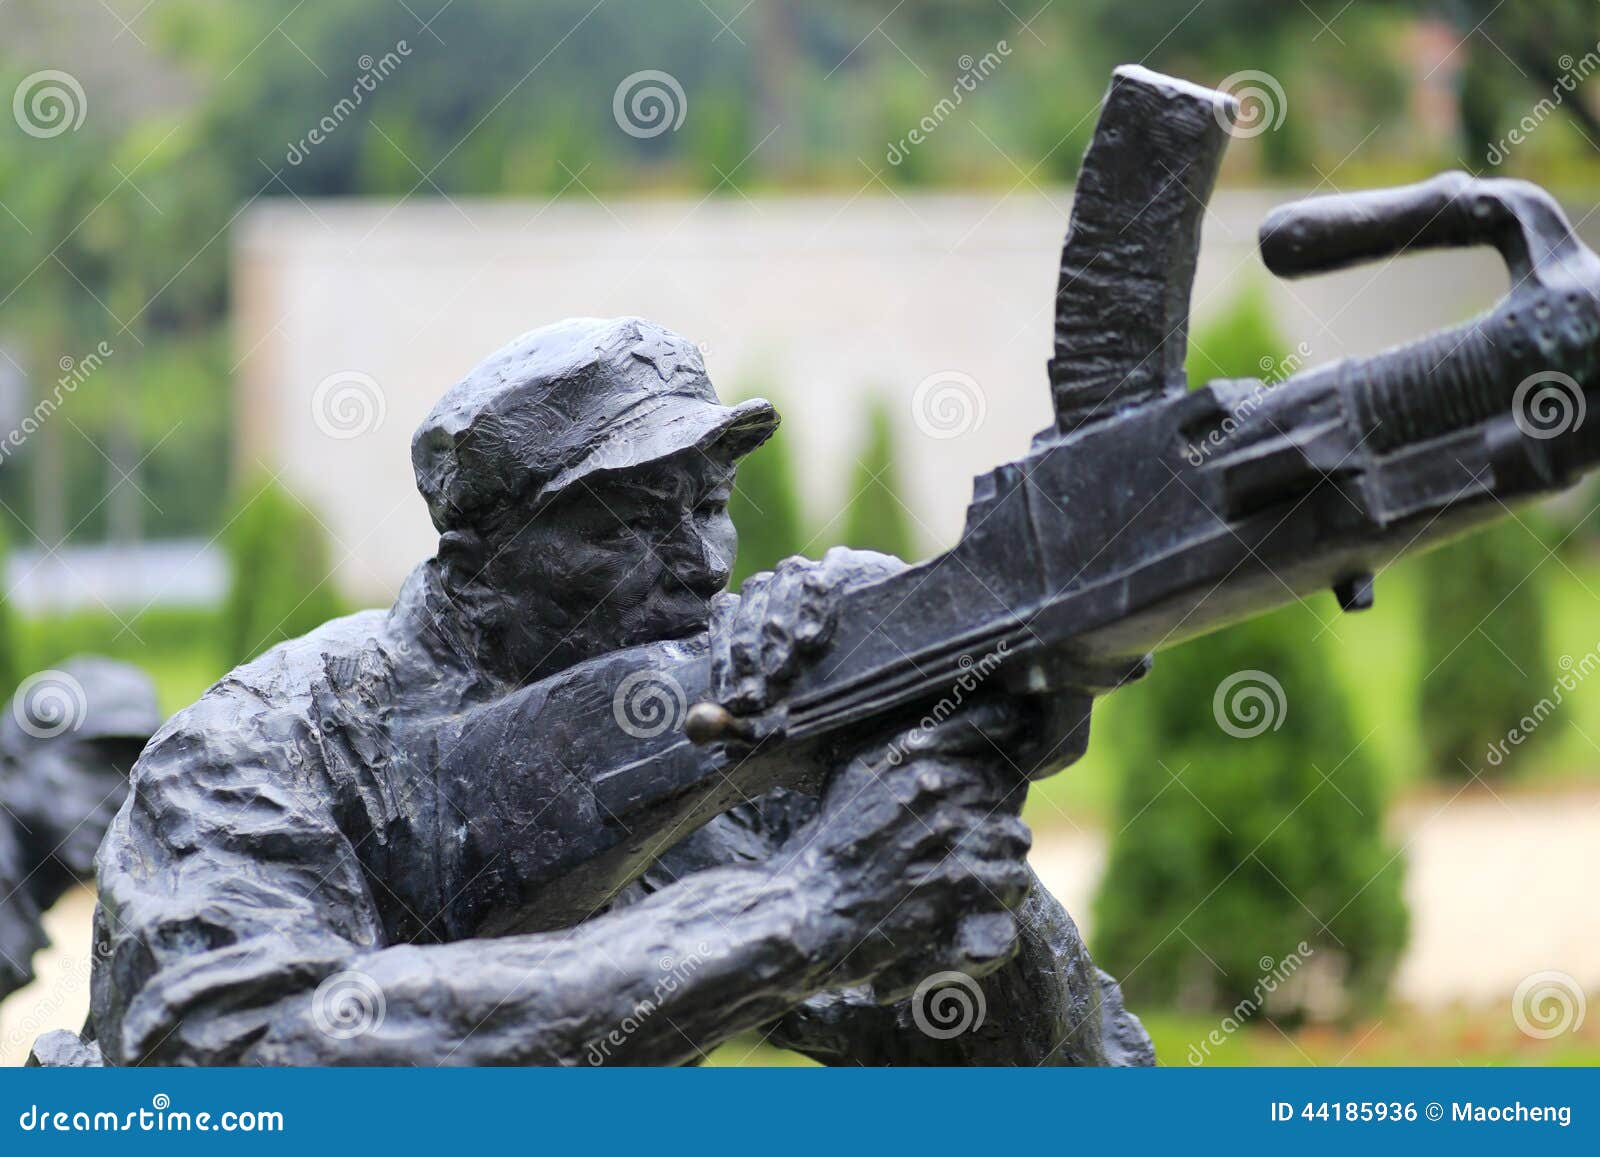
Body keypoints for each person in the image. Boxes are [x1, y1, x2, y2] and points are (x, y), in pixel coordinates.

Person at [62, 317, 1150, 1066]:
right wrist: (803, 910)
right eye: (631, 519)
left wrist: (935, 766)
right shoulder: (263, 747)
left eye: (711, 501)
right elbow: (239, 1062)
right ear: (479, 556)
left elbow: (1074, 1079)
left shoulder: (731, 712)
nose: (706, 561)